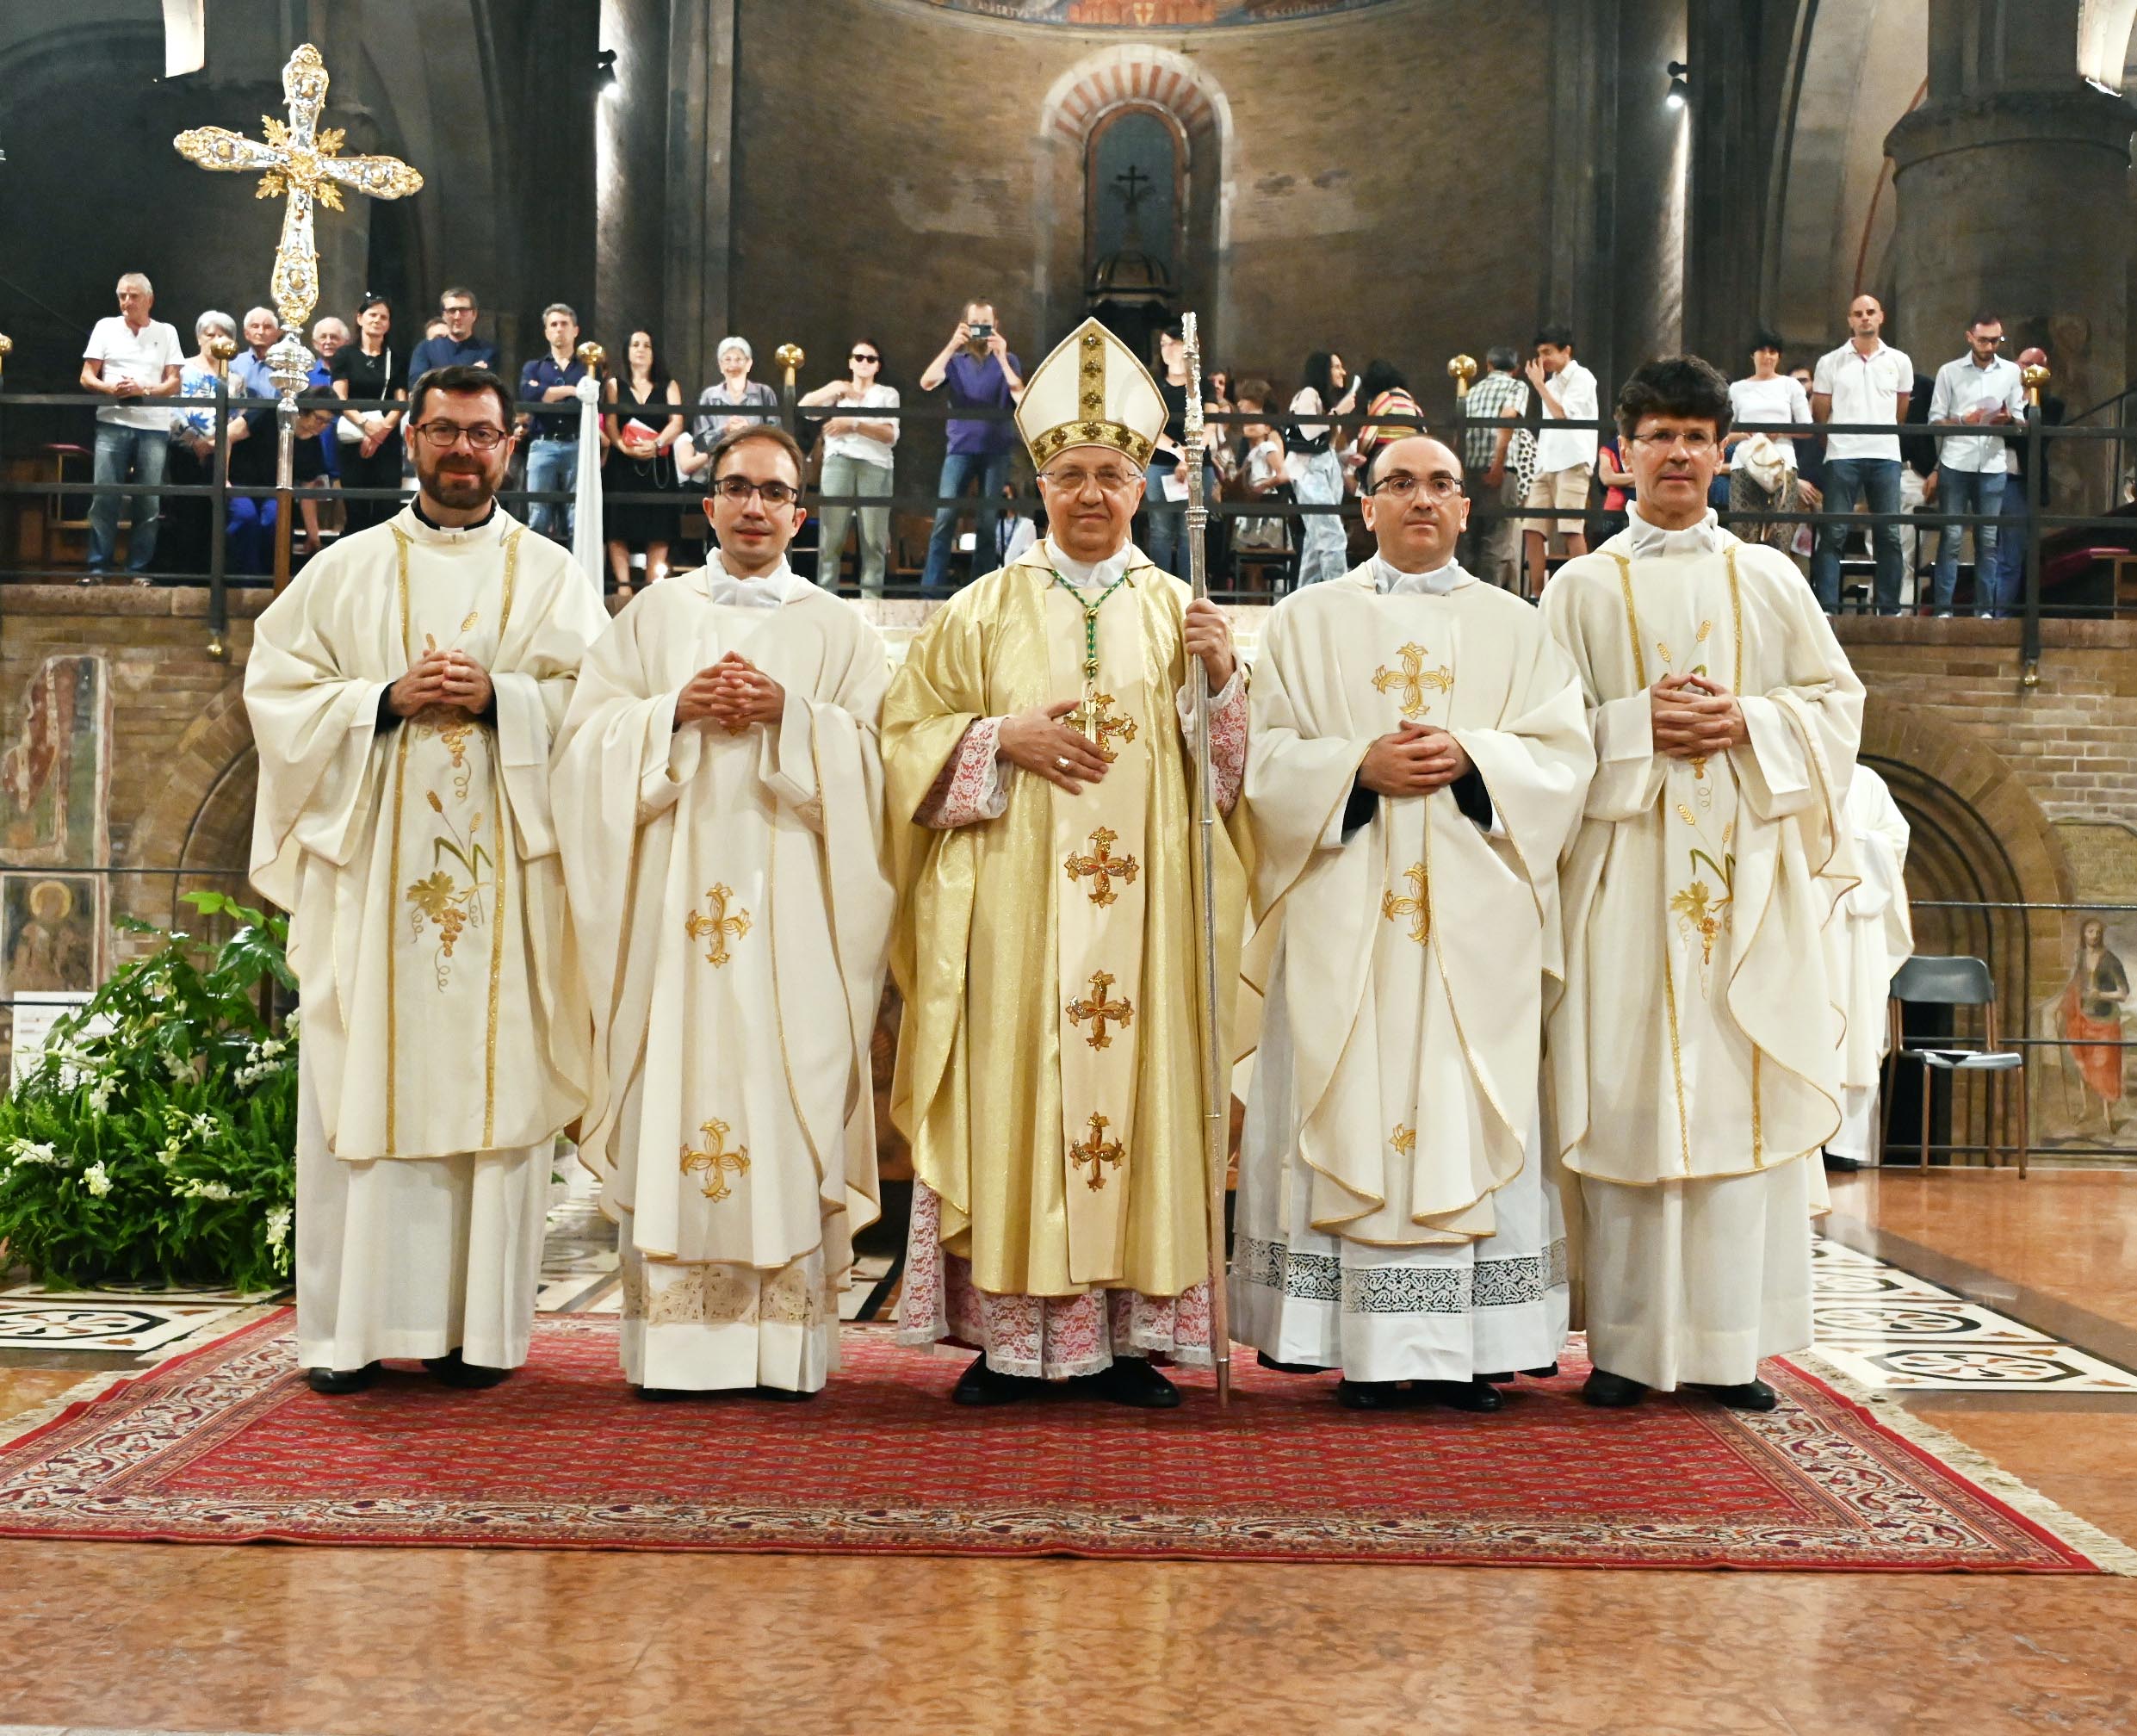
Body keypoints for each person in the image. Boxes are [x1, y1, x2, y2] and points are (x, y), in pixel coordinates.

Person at [883, 317, 1249, 1407]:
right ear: (1038, 483)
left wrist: (1224, 683)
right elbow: (902, 739)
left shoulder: (1182, 614)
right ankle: (1011, 1345)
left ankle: (1128, 1340)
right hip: (1013, 918)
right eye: (1073, 474)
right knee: (1016, 1100)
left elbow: (1224, 788)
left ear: (1142, 485)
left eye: (1113, 473)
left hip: (1146, 928)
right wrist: (1000, 740)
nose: (1092, 493)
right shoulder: (977, 610)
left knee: (1138, 1106)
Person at [243, 363, 605, 1395]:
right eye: (443, 431)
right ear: (410, 438)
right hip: (373, 903)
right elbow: (276, 693)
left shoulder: (549, 578)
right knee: (359, 1088)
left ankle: (471, 1336)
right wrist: (377, 702)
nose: (460, 450)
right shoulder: (347, 571)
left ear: (511, 442)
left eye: (480, 434)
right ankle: (346, 1337)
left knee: (489, 1103)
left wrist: (507, 701)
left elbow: (604, 714)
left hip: (503, 908)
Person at [1234, 433, 1591, 1410]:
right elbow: (1256, 766)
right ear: (1366, 506)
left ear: (1464, 508)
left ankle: (1476, 1342)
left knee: (1467, 1104)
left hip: (1475, 935)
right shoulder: (1305, 622)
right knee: (1345, 1091)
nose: (1420, 500)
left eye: (1438, 484)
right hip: (1343, 918)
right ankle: (1339, 1336)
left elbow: (1565, 760)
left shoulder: (1519, 629)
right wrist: (1354, 768)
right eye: (1399, 485)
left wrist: (1478, 759)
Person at [1540, 356, 1863, 1412]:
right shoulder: (1579, 586)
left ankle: (1730, 1351)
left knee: (1737, 1096)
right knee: (1630, 1096)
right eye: (1657, 436)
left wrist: (1748, 721)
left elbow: (1833, 703)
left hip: (1745, 890)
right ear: (1620, 454)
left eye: (1695, 436)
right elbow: (1539, 742)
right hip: (1625, 884)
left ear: (1722, 454)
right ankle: (1627, 1352)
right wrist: (1634, 724)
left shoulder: (1768, 580)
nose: (1677, 454)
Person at [553, 425, 894, 1398]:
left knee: (786, 1090)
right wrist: (669, 716)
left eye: (774, 493)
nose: (754, 508)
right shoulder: (652, 618)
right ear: (707, 506)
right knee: (678, 1086)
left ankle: (782, 1349)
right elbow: (582, 754)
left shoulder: (836, 632)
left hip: (794, 924)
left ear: (801, 512)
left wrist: (797, 715)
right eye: (736, 489)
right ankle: (676, 1350)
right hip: (670, 923)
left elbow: (880, 776)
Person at [1825, 764, 1912, 1170]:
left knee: (1856, 1030)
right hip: (1814, 921)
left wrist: (1853, 841)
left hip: (1860, 933)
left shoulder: (1867, 781)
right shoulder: (1790, 770)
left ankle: (1844, 1150)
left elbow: (1895, 841)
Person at [1811, 294, 1913, 614]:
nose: (1865, 318)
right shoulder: (1830, 362)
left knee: (1890, 534)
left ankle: (1888, 608)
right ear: (1850, 320)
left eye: (1870, 312)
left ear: (1881, 316)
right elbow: (1820, 413)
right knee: (1834, 531)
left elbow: (1900, 411)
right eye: (1858, 313)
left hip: (1885, 454)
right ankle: (1827, 605)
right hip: (1843, 454)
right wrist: (1836, 445)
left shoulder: (1900, 360)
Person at [80, 272, 183, 580]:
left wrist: (144, 389)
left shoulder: (166, 332)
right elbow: (87, 376)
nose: (127, 301)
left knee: (148, 501)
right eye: (122, 295)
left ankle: (138, 570)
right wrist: (111, 389)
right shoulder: (105, 327)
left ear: (149, 300)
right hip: (112, 422)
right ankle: (98, 569)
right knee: (104, 497)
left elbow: (174, 382)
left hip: (153, 426)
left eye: (133, 296)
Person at [918, 301, 1025, 592]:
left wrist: (1002, 357)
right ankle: (931, 590)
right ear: (965, 324)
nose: (980, 329)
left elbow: (1021, 398)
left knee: (988, 522)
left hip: (997, 449)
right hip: (961, 448)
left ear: (995, 325)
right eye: (975, 323)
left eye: (985, 323)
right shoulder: (956, 361)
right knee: (945, 517)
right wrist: (952, 345)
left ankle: (982, 590)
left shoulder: (1009, 360)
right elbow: (927, 382)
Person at [1929, 315, 2026, 618]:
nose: (1990, 346)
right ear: (1969, 337)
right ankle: (1943, 609)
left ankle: (1985, 611)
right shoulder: (1950, 371)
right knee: (1952, 537)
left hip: (1993, 462)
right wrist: (1962, 420)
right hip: (1956, 460)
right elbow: (1934, 419)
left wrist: (2007, 419)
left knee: (1988, 540)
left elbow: (2022, 420)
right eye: (1984, 340)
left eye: (1996, 340)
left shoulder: (2010, 372)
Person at [800, 338, 900, 595]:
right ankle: (826, 595)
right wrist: (834, 388)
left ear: (878, 366)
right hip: (839, 460)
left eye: (871, 359)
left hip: (875, 465)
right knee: (831, 535)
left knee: (873, 538)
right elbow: (806, 409)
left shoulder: (887, 394)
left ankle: (871, 599)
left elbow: (890, 435)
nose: (864, 363)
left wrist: (853, 424)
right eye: (859, 357)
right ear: (850, 362)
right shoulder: (839, 392)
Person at [601, 328, 685, 599]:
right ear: (627, 351)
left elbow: (677, 421)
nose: (640, 349)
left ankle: (653, 585)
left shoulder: (669, 385)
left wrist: (657, 444)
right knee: (618, 523)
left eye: (646, 345)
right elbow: (611, 423)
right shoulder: (615, 385)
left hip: (658, 462)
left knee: (658, 523)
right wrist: (624, 447)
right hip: (623, 462)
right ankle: (623, 586)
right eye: (635, 344)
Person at [1522, 324, 1600, 593]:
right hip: (1546, 461)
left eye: (1548, 352)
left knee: (1570, 527)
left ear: (1566, 351)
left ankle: (1582, 593)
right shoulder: (1551, 382)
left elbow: (1562, 414)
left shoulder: (1583, 377)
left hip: (1573, 460)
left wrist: (1539, 385)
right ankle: (1537, 593)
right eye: (1540, 353)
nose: (1543, 359)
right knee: (1531, 529)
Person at [164, 308, 238, 578]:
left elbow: (238, 417)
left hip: (224, 454)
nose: (216, 339)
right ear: (199, 338)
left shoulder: (235, 376)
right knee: (187, 514)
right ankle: (185, 576)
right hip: (186, 452)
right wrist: (195, 441)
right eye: (210, 334)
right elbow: (172, 410)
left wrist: (216, 442)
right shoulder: (180, 369)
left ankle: (213, 577)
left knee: (215, 516)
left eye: (223, 335)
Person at [225, 393, 335, 573]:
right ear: (303, 411)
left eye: (328, 422)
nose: (322, 426)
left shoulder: (313, 445)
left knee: (276, 520)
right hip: (240, 484)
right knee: (245, 517)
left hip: (275, 492)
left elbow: (308, 492)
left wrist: (313, 535)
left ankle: (272, 581)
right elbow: (227, 434)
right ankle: (243, 580)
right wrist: (224, 480)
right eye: (319, 419)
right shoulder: (269, 414)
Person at [1990, 345, 2065, 610]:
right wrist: (2013, 427)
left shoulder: (2052, 406)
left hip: (2019, 484)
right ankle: (1981, 615)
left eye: (2035, 366)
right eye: (2023, 363)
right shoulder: (1996, 394)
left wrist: (2009, 425)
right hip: (1987, 477)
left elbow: (2036, 443)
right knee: (1986, 551)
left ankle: (1998, 616)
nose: (2027, 370)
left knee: (2011, 555)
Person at [1725, 331, 1813, 551]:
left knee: (1780, 535)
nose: (1767, 356)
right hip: (1746, 461)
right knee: (1744, 535)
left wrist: (1780, 431)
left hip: (1781, 462)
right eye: (1762, 351)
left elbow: (1808, 428)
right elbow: (1724, 432)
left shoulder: (1790, 385)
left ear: (1779, 356)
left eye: (1772, 351)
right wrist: (1748, 434)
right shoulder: (1737, 388)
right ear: (1752, 355)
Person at [331, 294, 408, 535]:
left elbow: (401, 400)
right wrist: (366, 426)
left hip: (387, 438)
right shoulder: (344, 355)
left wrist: (380, 432)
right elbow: (340, 398)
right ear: (360, 318)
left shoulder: (396, 357)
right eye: (372, 314)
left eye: (383, 317)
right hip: (354, 436)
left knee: (387, 508)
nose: (377, 320)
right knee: (357, 510)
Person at [516, 302, 589, 545]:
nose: (559, 329)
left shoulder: (588, 368)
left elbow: (587, 400)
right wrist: (570, 390)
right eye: (553, 325)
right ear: (547, 332)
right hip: (542, 444)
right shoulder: (533, 367)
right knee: (537, 517)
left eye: (564, 324)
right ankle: (536, 579)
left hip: (577, 445)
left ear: (575, 330)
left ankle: (575, 579)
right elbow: (530, 395)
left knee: (577, 519)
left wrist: (547, 392)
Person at [1459, 346, 1530, 590]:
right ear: (1516, 369)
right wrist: (1497, 465)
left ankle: (1463, 597)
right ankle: (1488, 602)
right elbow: (1508, 417)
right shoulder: (1516, 387)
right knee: (1496, 542)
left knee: (1469, 540)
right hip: (1498, 471)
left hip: (1469, 472)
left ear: (1488, 365)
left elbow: (1460, 434)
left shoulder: (1471, 392)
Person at [1289, 350, 1359, 586]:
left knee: (1315, 542)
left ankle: (1302, 599)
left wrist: (1348, 458)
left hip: (1326, 469)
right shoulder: (1309, 394)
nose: (1343, 372)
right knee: (1332, 536)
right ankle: (1340, 595)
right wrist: (1339, 412)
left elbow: (1328, 442)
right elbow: (1308, 430)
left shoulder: (1324, 399)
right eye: (1337, 367)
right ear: (1324, 370)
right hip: (1310, 472)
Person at [676, 337, 779, 485]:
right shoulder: (709, 396)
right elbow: (700, 442)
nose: (733, 365)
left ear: (749, 364)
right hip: (717, 472)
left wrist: (748, 430)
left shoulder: (765, 393)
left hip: (756, 470)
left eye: (739, 359)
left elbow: (776, 435)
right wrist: (725, 431)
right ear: (720, 365)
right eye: (727, 359)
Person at [2060, 918, 2128, 1136]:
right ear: (2084, 933)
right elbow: (2075, 982)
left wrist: (2101, 994)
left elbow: (2123, 994)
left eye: (2098, 932)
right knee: (2084, 1068)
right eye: (2090, 931)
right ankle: (2087, 1108)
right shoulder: (2079, 956)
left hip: (2106, 1021)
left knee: (2106, 1070)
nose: (2094, 935)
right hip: (2082, 1019)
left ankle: (2108, 1115)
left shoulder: (2111, 961)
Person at [406, 287, 499, 379]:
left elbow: (485, 387)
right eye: (452, 310)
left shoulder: (487, 352)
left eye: (463, 310)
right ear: (443, 315)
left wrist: (436, 378)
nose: (457, 317)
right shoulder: (425, 349)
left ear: (474, 314)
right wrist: (470, 374)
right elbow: (417, 385)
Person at [1350, 360, 1424, 470]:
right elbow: (1423, 430)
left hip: (1385, 456)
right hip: (1409, 457)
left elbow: (1370, 428)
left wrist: (1361, 452)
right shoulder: (1412, 404)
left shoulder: (1386, 398)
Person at [231, 306, 282, 400]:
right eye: (255, 326)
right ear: (246, 334)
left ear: (277, 334)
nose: (261, 332)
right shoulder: (233, 365)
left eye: (267, 327)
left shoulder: (288, 366)